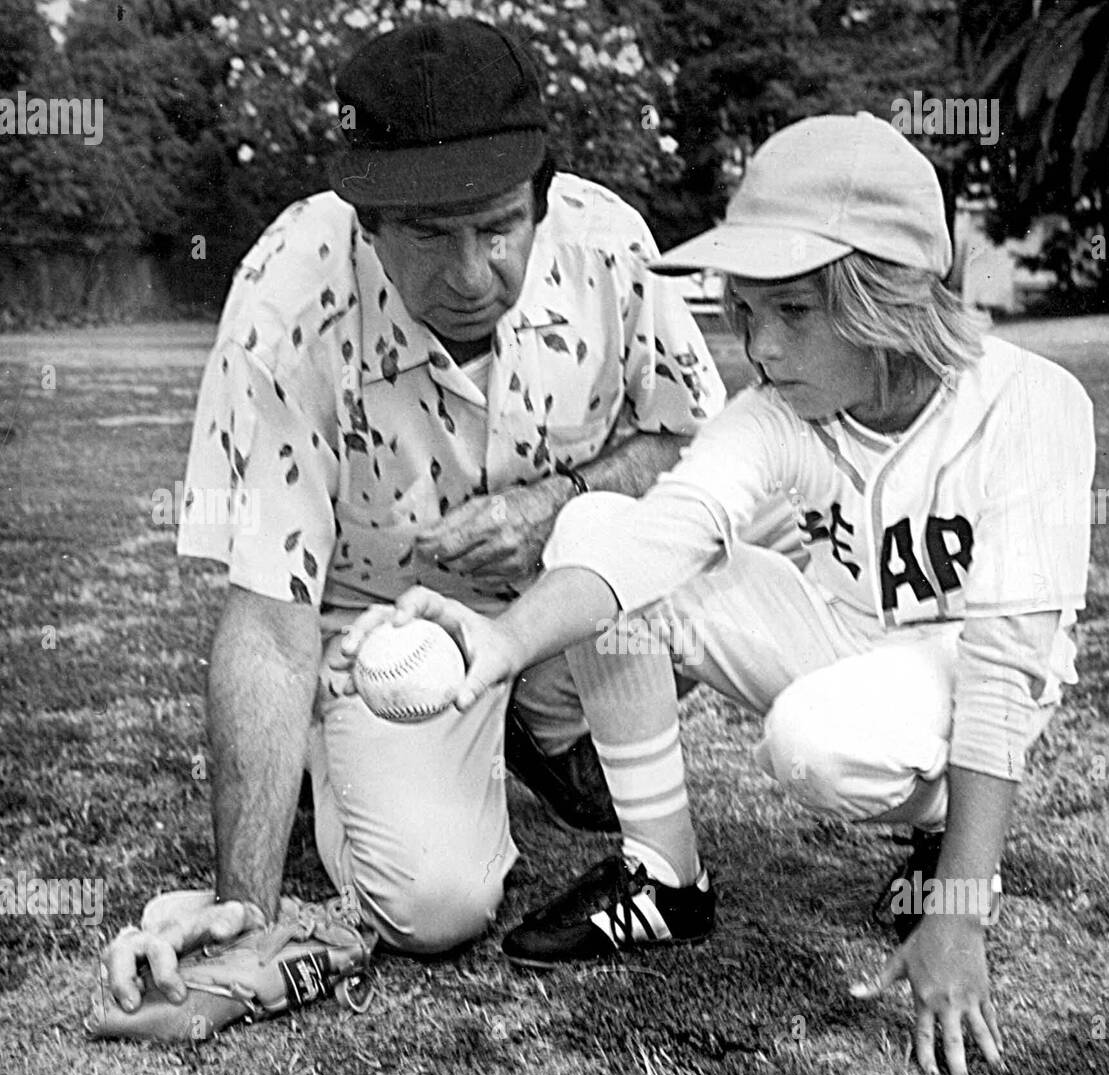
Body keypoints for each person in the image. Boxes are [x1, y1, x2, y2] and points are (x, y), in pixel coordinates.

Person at [342, 113, 1097, 1075]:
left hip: (966, 678)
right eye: (744, 311)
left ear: (886, 298)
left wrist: (961, 907)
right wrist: (496, 643)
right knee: (596, 527)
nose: (758, 346)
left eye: (791, 310)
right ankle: (665, 879)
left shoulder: (1029, 404)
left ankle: (940, 838)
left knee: (816, 741)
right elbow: (668, 532)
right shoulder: (779, 412)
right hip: (844, 638)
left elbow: (1002, 667)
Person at [96, 17, 783, 1016]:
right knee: (435, 907)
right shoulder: (287, 296)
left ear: (544, 200)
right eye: (428, 234)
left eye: (499, 227)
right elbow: (271, 617)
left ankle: (532, 733)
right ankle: (351, 760)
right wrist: (246, 907)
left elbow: (695, 444)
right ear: (366, 220)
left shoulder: (610, 246)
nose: (471, 275)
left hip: (555, 604)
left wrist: (560, 501)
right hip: (383, 627)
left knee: (662, 674)